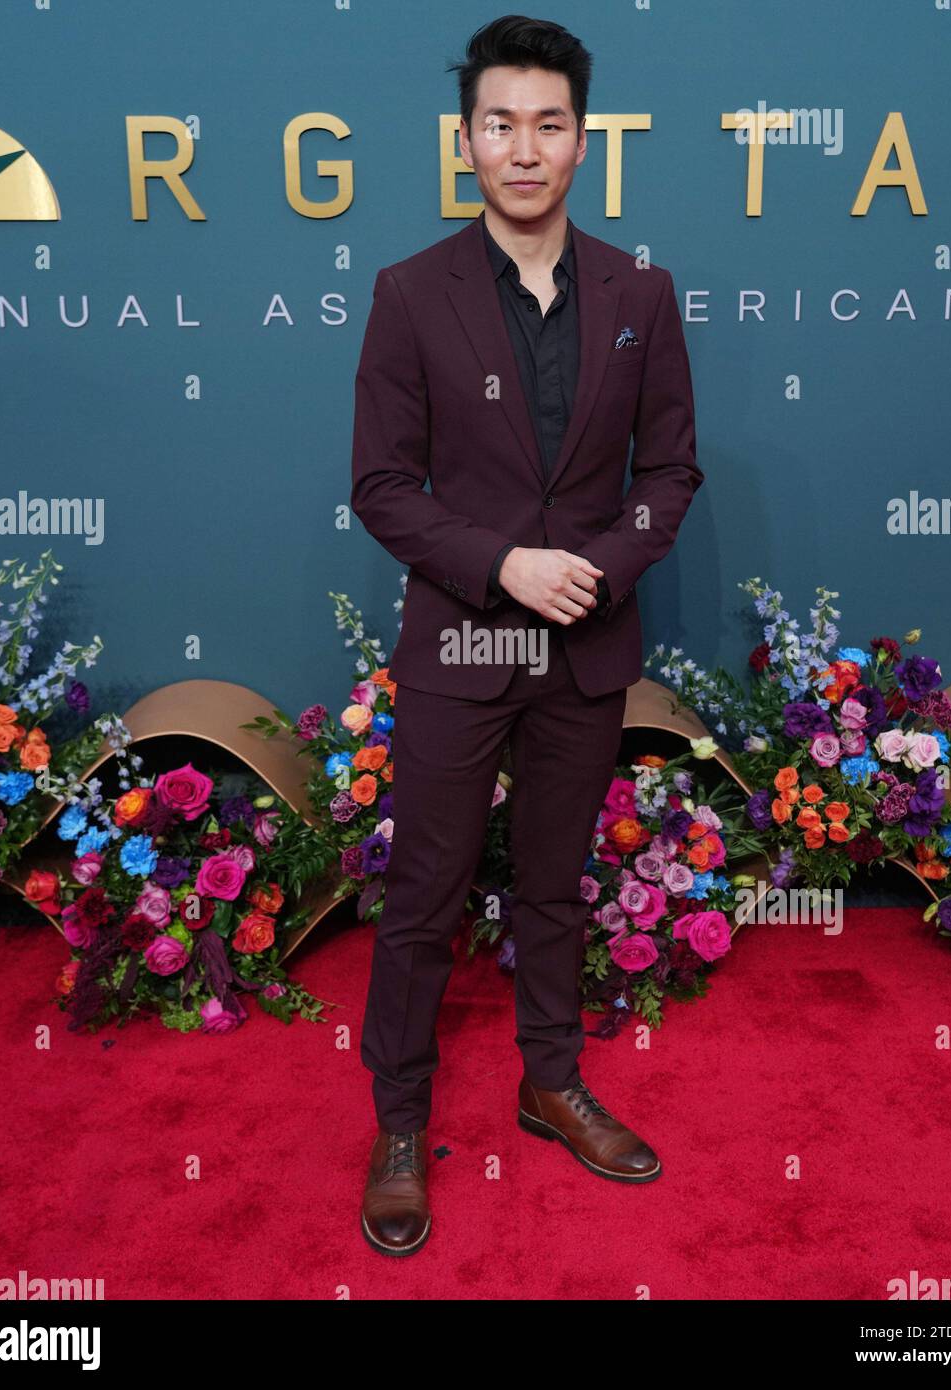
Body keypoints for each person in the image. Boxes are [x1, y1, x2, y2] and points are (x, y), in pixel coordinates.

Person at [350, 13, 703, 1256]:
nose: (523, 146)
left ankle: (548, 1082)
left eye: (547, 124)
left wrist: (594, 573)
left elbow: (667, 471)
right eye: (499, 123)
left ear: (580, 140)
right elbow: (382, 488)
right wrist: (504, 563)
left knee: (551, 886)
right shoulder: (408, 294)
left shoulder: (639, 293)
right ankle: (398, 1122)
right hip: (463, 640)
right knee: (425, 894)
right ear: (466, 141)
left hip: (584, 644)